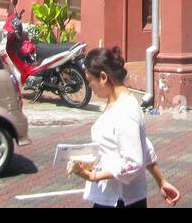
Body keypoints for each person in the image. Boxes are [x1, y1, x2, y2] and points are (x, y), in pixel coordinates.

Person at [71, 47, 181, 208]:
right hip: (112, 197)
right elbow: (143, 145)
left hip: (120, 200)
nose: (89, 87)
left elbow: (133, 162)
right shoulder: (117, 103)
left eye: (89, 81)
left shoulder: (124, 111)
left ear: (103, 77)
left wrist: (95, 176)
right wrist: (161, 181)